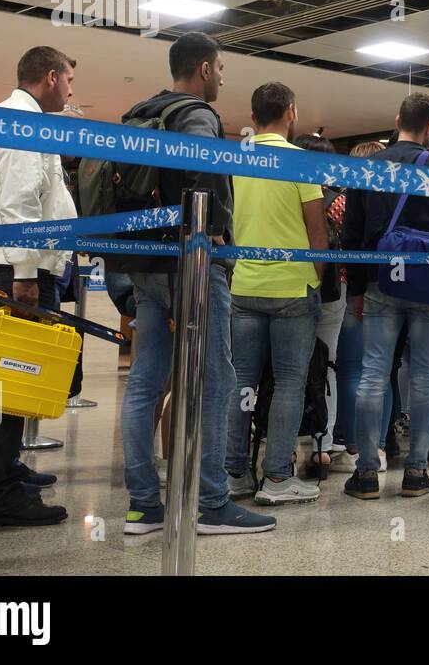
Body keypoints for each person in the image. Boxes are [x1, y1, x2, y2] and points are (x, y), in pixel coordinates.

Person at [117, 32, 273, 535]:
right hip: (195, 261)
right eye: (221, 68)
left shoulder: (142, 112)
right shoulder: (198, 115)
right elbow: (204, 171)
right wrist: (210, 226)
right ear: (204, 69)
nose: (223, 77)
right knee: (217, 378)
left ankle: (144, 505)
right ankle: (211, 501)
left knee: (145, 382)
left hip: (148, 264)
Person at [0, 46, 77, 527]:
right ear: (50, 77)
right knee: (5, 384)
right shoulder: (24, 123)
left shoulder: (3, 118)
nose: (71, 90)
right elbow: (19, 202)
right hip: (12, 270)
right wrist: (27, 273)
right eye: (69, 80)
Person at [342, 93, 429, 500]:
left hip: (384, 280)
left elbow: (353, 235)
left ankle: (366, 472)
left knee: (374, 372)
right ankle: (416, 471)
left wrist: (358, 289)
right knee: (423, 375)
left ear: (397, 118)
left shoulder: (369, 167)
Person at [225, 84, 328, 504]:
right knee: (289, 382)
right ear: (291, 112)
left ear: (252, 118)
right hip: (292, 287)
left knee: (242, 382)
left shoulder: (234, 161)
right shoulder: (301, 162)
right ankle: (278, 479)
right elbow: (317, 231)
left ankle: (234, 474)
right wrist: (315, 278)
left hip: (243, 285)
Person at [326, 141, 393, 474]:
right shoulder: (393, 197)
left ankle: (354, 445)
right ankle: (379, 444)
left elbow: (345, 244)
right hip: (392, 286)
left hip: (351, 286)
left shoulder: (345, 200)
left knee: (352, 368)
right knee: (383, 370)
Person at [292, 133, 346, 479]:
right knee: (327, 365)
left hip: (289, 283)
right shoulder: (340, 200)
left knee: (289, 367)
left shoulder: (287, 189)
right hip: (331, 289)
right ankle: (322, 447)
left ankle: (281, 441)